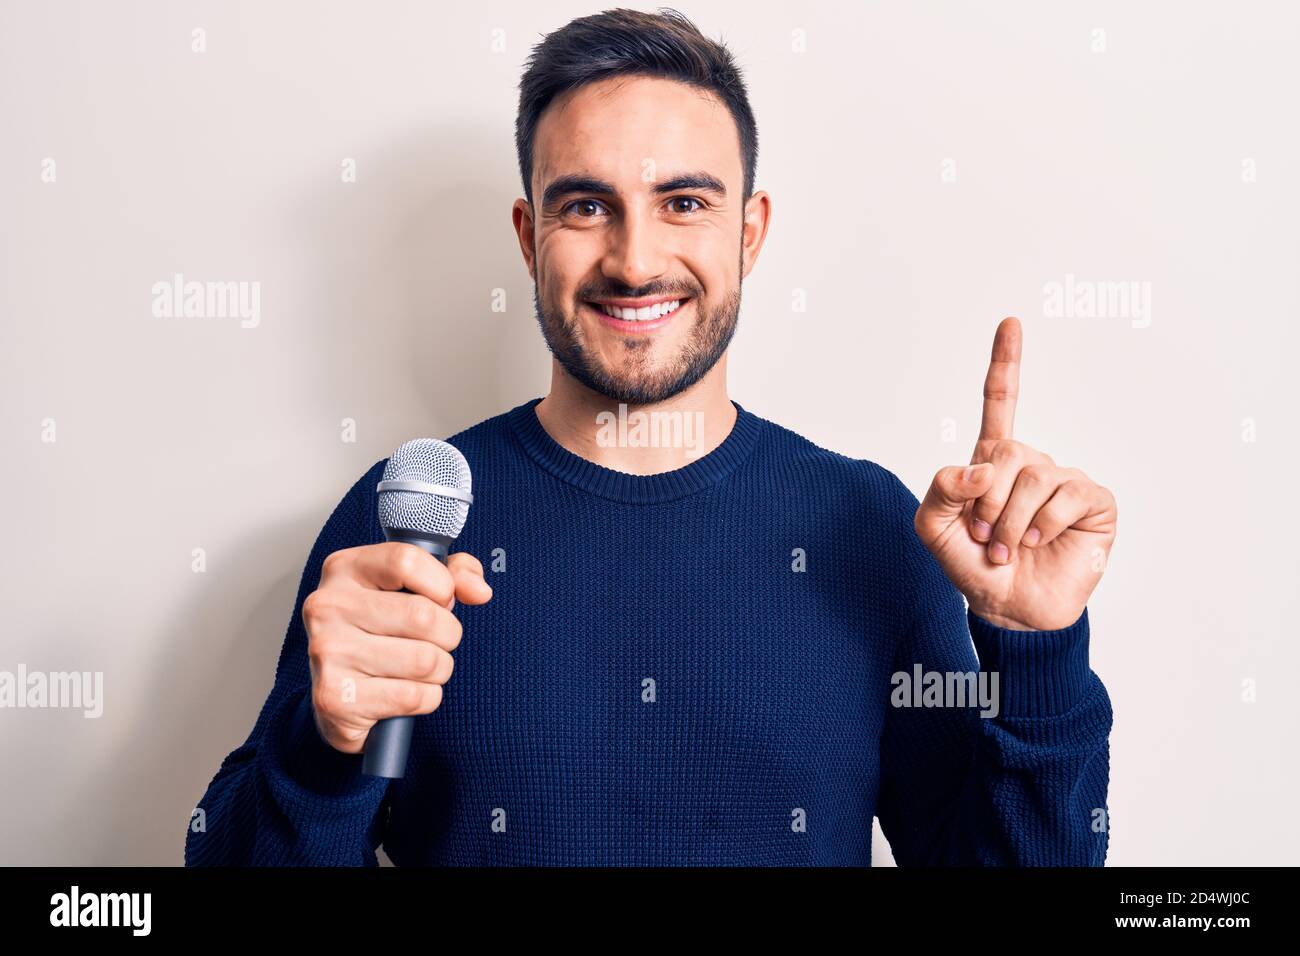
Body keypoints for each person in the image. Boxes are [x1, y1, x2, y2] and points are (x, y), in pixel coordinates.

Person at [185, 7, 1116, 866]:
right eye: (586, 205)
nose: (634, 261)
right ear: (528, 234)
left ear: (749, 234)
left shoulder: (869, 525)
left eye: (684, 202)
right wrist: (321, 744)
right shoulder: (409, 521)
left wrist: (1034, 651)